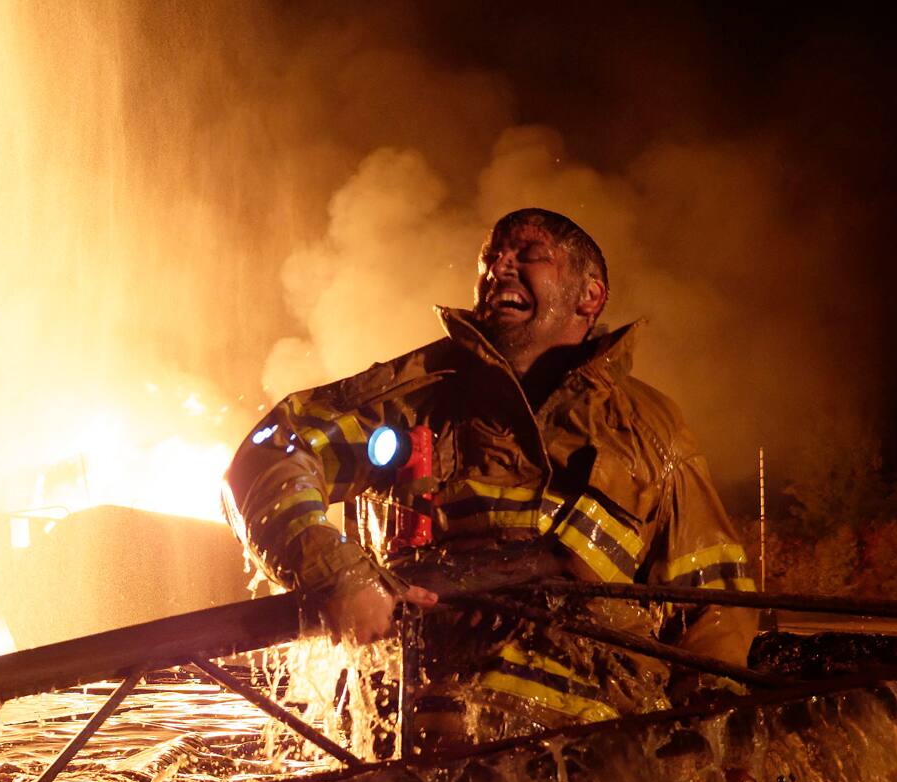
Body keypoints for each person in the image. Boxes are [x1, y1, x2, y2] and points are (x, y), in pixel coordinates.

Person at [224, 208, 757, 748]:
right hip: (426, 762)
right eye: (490, 257)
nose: (499, 266)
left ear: (589, 296)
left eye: (528, 255)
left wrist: (722, 753)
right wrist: (337, 572)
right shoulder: (417, 398)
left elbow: (715, 605)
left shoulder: (651, 429)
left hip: (599, 764)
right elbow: (271, 454)